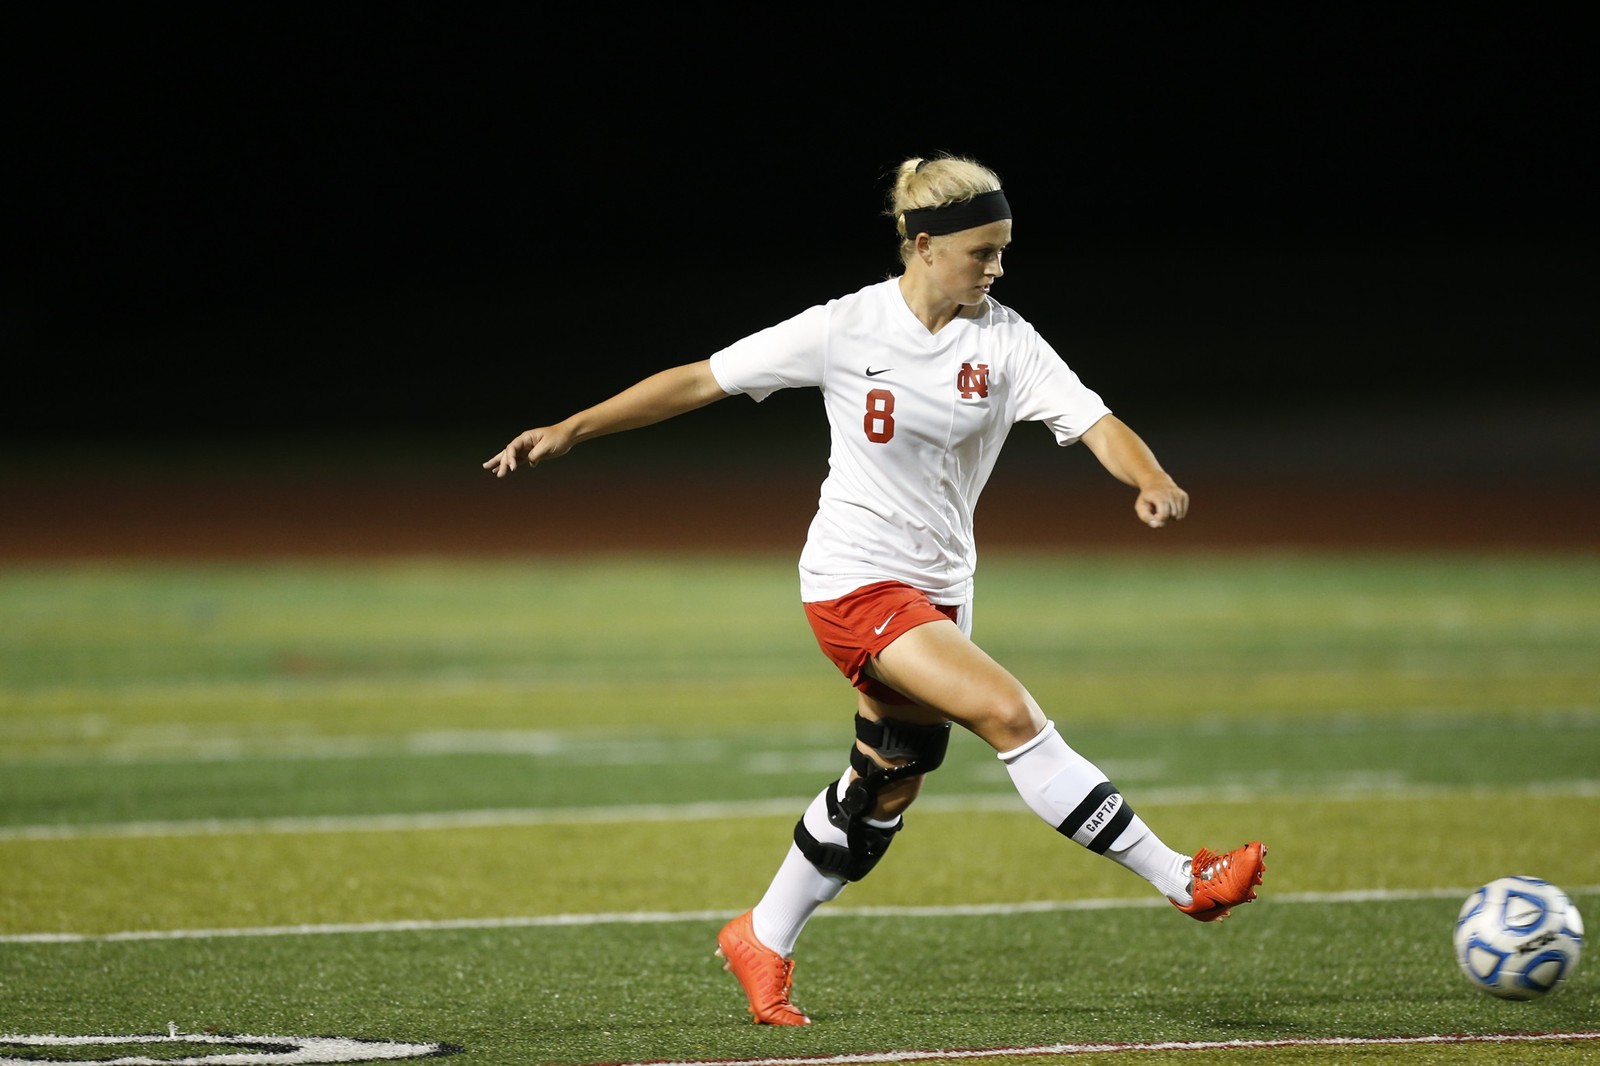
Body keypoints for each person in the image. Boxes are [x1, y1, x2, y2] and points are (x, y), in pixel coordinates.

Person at [483, 153, 1266, 1026]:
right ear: (924, 246)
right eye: (984, 251)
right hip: (853, 581)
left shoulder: (1005, 338)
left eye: (1005, 249)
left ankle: (762, 935)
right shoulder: (846, 327)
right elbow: (703, 378)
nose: (999, 268)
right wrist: (573, 427)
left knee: (885, 786)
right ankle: (1181, 879)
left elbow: (1095, 420)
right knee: (1009, 715)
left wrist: (1145, 478)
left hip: (939, 594)